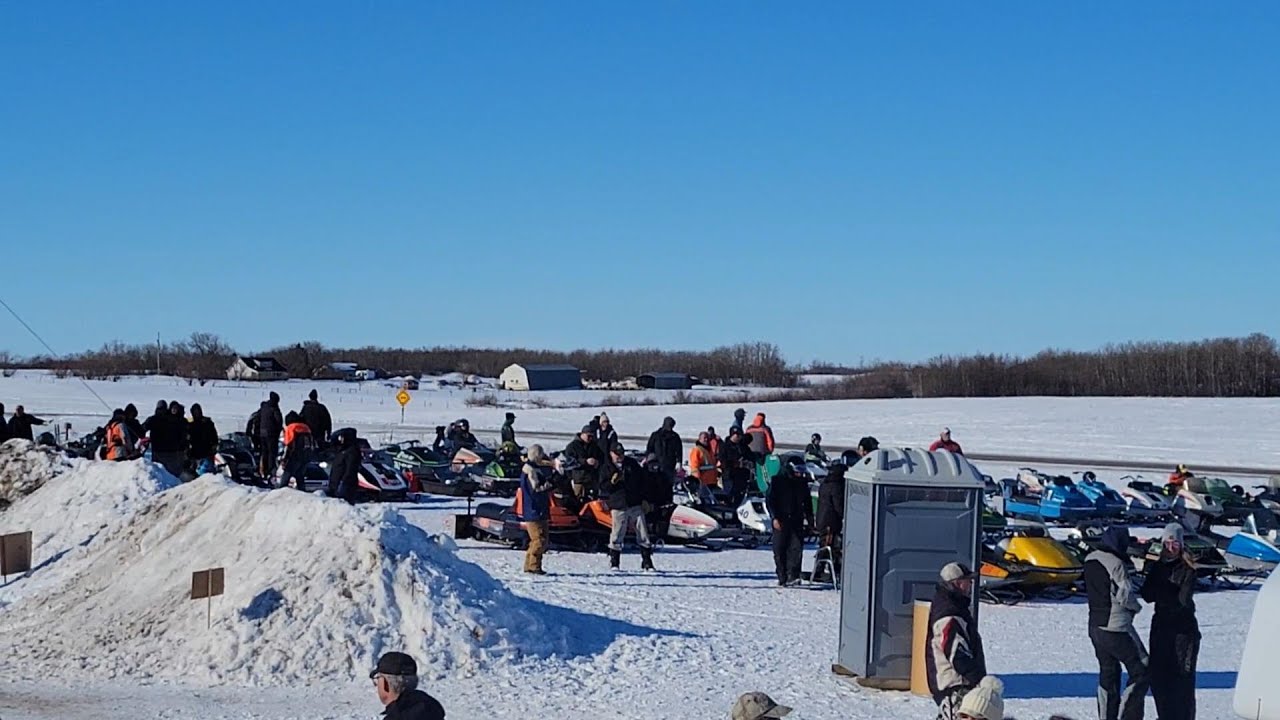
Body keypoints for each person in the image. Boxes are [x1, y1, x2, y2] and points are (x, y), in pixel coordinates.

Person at [1084, 526, 1148, 720]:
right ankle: (1127, 716)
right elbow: (1125, 595)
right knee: (1142, 670)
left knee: (1108, 673)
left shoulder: (1090, 559)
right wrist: (1136, 608)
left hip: (1096, 626)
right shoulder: (1116, 563)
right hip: (1117, 627)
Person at [1141, 522, 1199, 720]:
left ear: (1181, 545)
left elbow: (1182, 601)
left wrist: (1162, 591)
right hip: (1161, 628)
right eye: (1167, 543)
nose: (1171, 547)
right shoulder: (1158, 567)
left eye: (1175, 543)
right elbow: (1146, 594)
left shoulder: (1188, 569)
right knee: (1158, 677)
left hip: (1183, 632)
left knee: (1181, 681)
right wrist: (1161, 588)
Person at [926, 562, 987, 720]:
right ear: (957, 583)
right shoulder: (949, 614)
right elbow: (957, 654)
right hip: (955, 686)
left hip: (956, 686)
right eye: (968, 581)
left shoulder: (953, 606)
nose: (971, 585)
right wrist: (980, 681)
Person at [604, 443, 655, 571]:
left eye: (621, 454)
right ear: (611, 454)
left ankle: (647, 561)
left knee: (642, 532)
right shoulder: (606, 467)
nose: (619, 457)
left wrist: (645, 499)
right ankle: (614, 561)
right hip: (618, 504)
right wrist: (611, 482)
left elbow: (643, 482)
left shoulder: (632, 464)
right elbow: (602, 487)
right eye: (617, 454)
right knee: (617, 533)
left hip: (634, 502)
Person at [766, 460, 812, 586]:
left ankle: (793, 575)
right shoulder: (777, 481)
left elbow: (807, 502)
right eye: (797, 471)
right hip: (781, 519)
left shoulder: (802, 483)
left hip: (797, 519)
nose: (800, 474)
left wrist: (810, 520)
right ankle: (782, 576)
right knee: (780, 549)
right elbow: (770, 501)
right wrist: (774, 517)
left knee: (796, 548)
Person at [369, 652, 447, 720]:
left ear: (385, 684)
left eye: (378, 678)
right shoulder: (432, 708)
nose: (376, 685)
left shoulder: (398, 717)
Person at [517, 444, 555, 575]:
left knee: (539, 539)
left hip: (537, 508)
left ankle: (530, 564)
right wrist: (550, 484)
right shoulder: (531, 471)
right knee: (539, 539)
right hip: (534, 509)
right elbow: (537, 489)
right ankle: (533, 565)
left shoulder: (531, 469)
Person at [813, 461, 846, 583]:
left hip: (822, 519)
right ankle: (825, 570)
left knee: (825, 545)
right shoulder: (836, 486)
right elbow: (838, 505)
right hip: (830, 521)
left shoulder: (825, 484)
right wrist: (845, 515)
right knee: (830, 546)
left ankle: (821, 569)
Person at [146, 401, 187, 477]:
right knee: (170, 475)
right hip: (169, 451)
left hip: (169, 452)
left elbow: (142, 429)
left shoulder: (157, 419)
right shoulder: (170, 418)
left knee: (162, 475)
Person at [564, 425, 605, 498]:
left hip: (592, 479)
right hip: (579, 480)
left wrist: (597, 462)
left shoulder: (594, 446)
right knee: (578, 499)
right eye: (588, 436)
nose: (590, 438)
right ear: (582, 434)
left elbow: (602, 457)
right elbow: (569, 461)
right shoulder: (572, 446)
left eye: (592, 436)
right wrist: (585, 461)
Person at [718, 426, 756, 505]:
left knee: (740, 497)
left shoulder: (742, 446)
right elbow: (723, 462)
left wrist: (750, 461)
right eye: (736, 435)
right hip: (730, 476)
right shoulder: (725, 446)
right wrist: (737, 463)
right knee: (729, 496)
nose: (738, 437)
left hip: (742, 476)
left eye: (739, 435)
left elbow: (751, 456)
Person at [280, 412, 315, 491]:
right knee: (300, 476)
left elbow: (289, 445)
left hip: (294, 456)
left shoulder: (291, 428)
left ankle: (280, 493)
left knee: (286, 475)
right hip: (306, 457)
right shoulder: (307, 429)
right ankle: (302, 493)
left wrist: (285, 459)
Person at [325, 428, 361, 504]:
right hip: (335, 483)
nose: (341, 440)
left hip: (345, 485)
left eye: (342, 438)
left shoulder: (352, 451)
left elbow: (350, 469)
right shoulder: (342, 450)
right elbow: (332, 445)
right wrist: (335, 436)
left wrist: (343, 482)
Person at [646, 416, 682, 483]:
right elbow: (649, 448)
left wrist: (679, 462)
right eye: (669, 425)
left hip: (669, 464)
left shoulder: (675, 437)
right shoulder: (655, 435)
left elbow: (679, 450)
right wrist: (648, 458)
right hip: (655, 463)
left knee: (668, 482)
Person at [257, 392, 284, 478]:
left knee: (264, 452)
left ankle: (264, 471)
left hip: (262, 433)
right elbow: (279, 421)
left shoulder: (264, 407)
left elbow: (258, 418)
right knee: (272, 453)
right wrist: (279, 430)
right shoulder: (274, 408)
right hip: (272, 434)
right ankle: (270, 471)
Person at [187, 403, 219, 475]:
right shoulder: (190, 425)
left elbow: (214, 436)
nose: (196, 413)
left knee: (207, 473)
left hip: (207, 453)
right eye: (195, 412)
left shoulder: (207, 422)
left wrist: (214, 446)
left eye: (198, 411)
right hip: (194, 453)